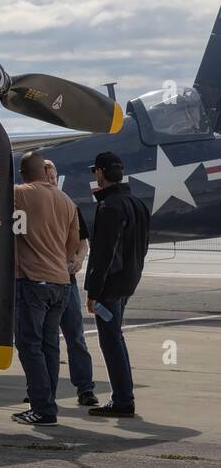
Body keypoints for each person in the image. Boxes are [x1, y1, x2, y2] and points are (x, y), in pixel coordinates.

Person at [12, 151, 80, 425]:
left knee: (29, 346)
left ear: (22, 173)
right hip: (61, 283)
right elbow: (72, 246)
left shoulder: (20, 194)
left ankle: (42, 407)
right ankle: (47, 403)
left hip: (32, 281)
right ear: (44, 171)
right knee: (50, 345)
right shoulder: (67, 200)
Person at [84, 151, 151, 418]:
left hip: (110, 286)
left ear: (100, 172)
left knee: (110, 341)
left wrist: (93, 291)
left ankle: (123, 400)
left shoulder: (109, 207)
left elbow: (103, 254)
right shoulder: (137, 203)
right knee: (117, 339)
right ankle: (123, 396)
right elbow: (142, 248)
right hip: (127, 282)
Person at [42, 159, 99, 407]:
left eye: (53, 175)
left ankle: (85, 388)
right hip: (41, 282)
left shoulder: (69, 206)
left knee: (75, 336)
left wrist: (79, 259)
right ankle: (43, 389)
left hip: (66, 282)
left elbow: (83, 240)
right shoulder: (30, 208)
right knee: (46, 339)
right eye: (46, 176)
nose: (51, 180)